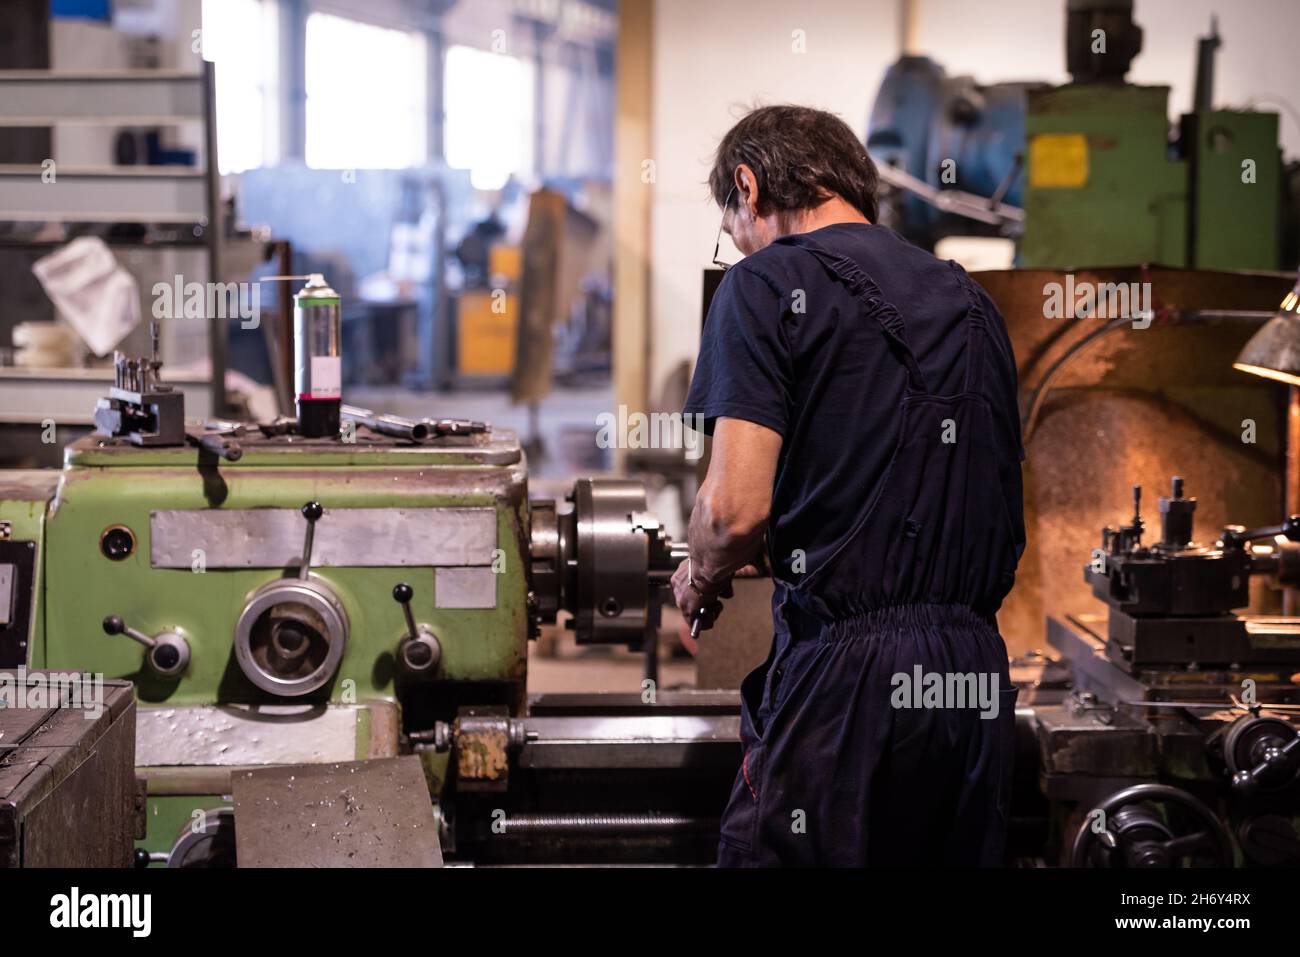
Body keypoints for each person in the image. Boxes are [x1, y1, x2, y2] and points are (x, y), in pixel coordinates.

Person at [670, 105, 1026, 866]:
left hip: (849, 684)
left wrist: (701, 568)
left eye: (733, 229)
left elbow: (732, 511)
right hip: (972, 680)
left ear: (749, 184)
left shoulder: (765, 285)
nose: (739, 249)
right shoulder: (972, 303)